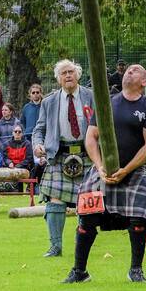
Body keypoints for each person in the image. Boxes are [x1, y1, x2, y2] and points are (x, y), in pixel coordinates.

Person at [62, 64, 146, 284]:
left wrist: (125, 170)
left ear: (144, 82)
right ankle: (79, 272)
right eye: (128, 69)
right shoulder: (107, 103)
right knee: (86, 217)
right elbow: (91, 137)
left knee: (139, 216)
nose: (129, 71)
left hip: (134, 172)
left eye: (136, 70)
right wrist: (99, 166)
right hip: (102, 172)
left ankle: (135, 270)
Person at [33, 59, 98, 258]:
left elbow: (103, 122)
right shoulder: (49, 101)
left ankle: (83, 244)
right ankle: (55, 246)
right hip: (60, 155)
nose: (68, 75)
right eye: (64, 73)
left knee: (87, 201)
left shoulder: (91, 96)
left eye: (71, 72)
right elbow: (39, 129)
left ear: (78, 75)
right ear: (58, 78)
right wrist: (37, 144)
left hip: (87, 154)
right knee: (55, 200)